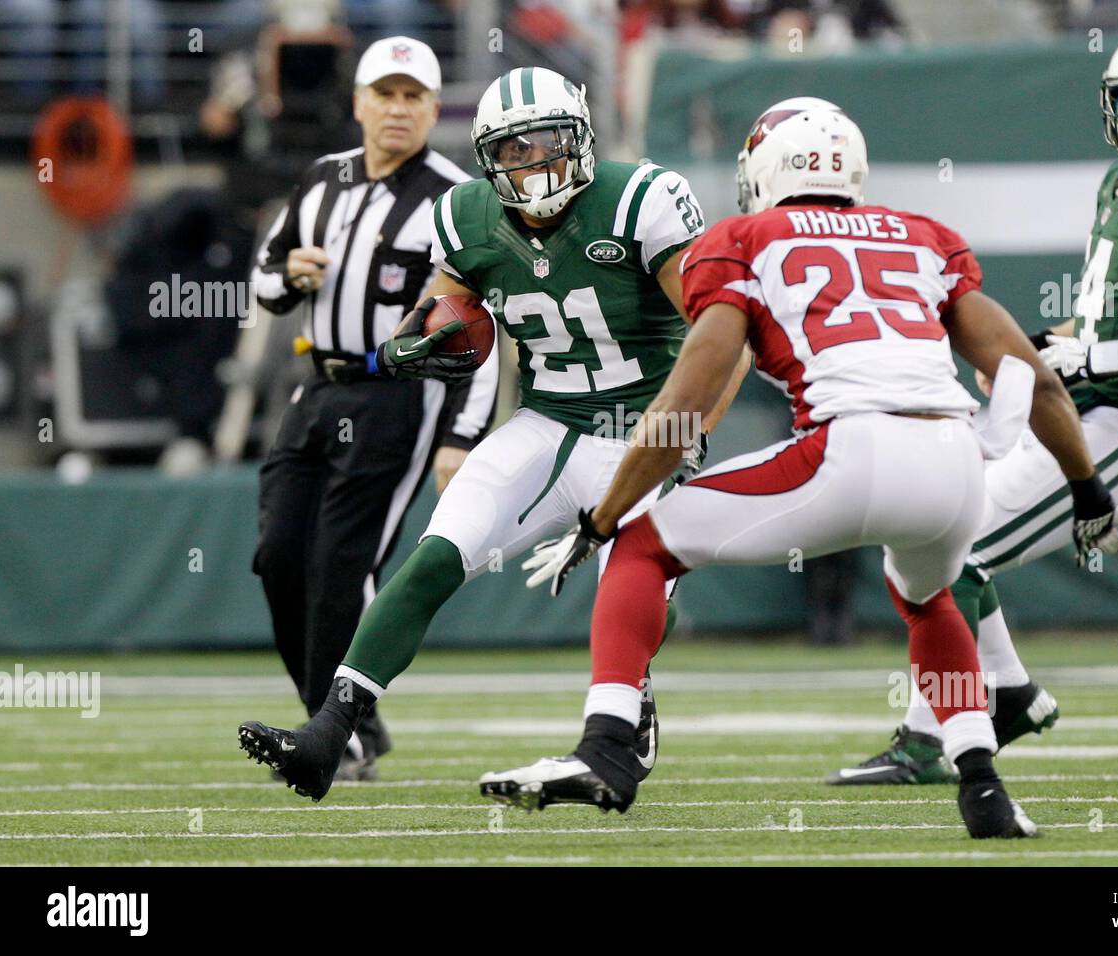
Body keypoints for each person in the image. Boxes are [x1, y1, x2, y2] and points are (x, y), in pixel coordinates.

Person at [480, 99, 1118, 839]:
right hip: (957, 459)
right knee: (930, 600)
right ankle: (982, 786)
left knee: (642, 546)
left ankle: (606, 749)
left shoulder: (744, 238)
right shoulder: (921, 236)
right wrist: (1089, 491)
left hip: (847, 450)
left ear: (762, 169)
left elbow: (690, 394)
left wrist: (602, 517)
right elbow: (1035, 377)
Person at [239, 66, 747, 800]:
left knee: (627, 577)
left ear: (582, 138)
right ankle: (328, 735)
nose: (533, 162)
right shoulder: (464, 216)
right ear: (487, 158)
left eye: (546, 143)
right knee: (437, 553)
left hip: (642, 425)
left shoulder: (641, 198)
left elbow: (723, 334)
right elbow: (443, 308)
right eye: (513, 150)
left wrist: (690, 431)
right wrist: (420, 339)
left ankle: (616, 732)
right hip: (545, 422)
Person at [833, 28, 1118, 785]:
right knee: (932, 546)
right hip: (1084, 405)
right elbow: (1100, 320)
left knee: (952, 555)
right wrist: (1027, 349)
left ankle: (943, 733)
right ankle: (1002, 696)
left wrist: (1089, 358)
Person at [249, 37, 499, 781]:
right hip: (314, 385)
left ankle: (338, 735)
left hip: (397, 395)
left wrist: (459, 435)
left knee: (342, 565)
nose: (397, 109)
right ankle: (342, 715)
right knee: (278, 557)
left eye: (413, 96)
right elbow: (263, 279)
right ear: (358, 102)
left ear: (432, 108)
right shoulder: (322, 178)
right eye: (384, 95)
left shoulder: (455, 198)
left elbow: (481, 329)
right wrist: (291, 274)